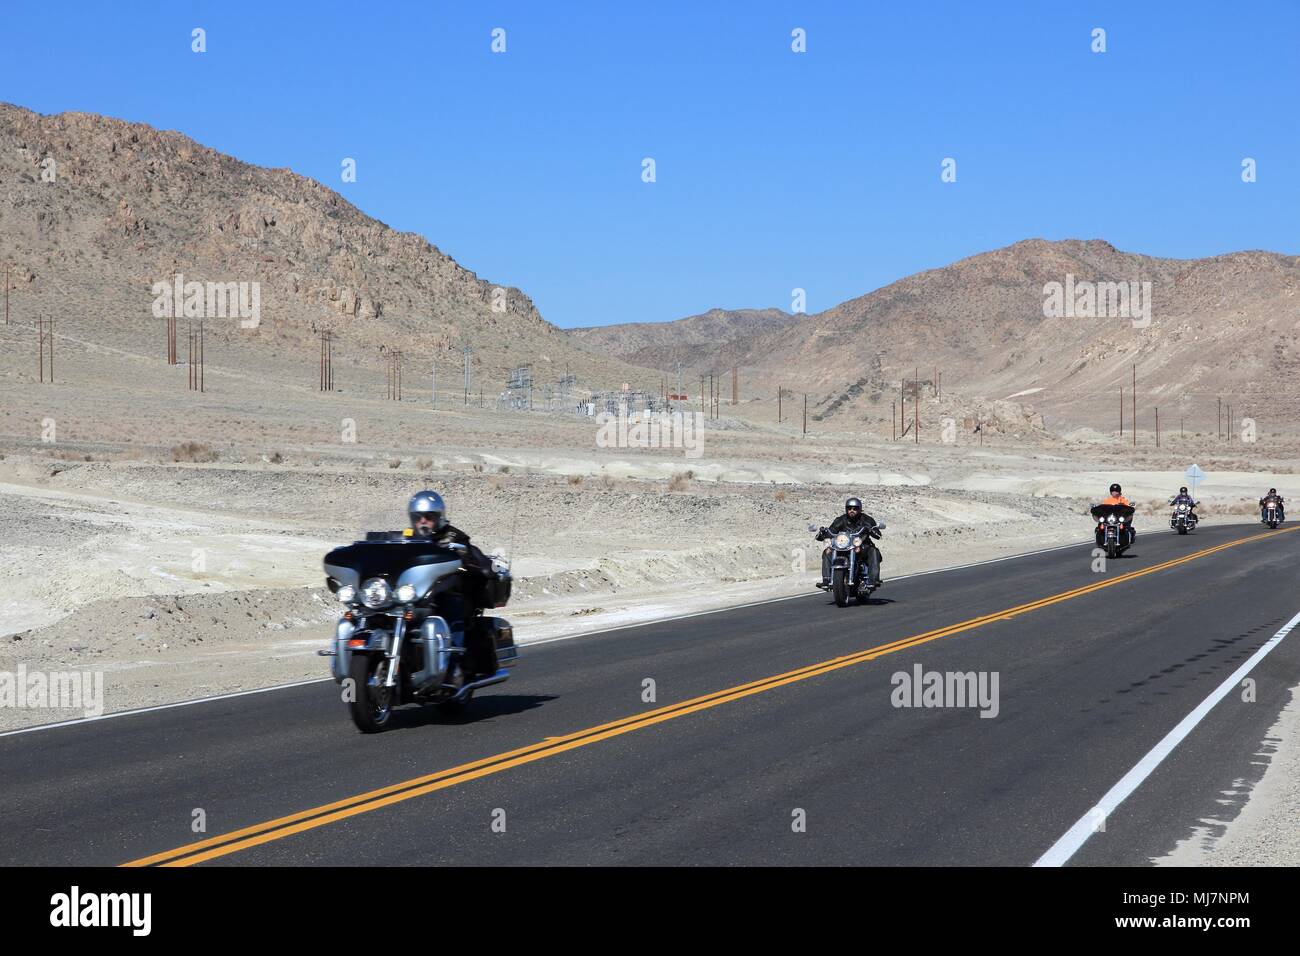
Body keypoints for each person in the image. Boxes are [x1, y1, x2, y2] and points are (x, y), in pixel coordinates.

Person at [406, 490, 499, 677]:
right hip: (415, 594)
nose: (423, 521)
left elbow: (470, 558)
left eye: (429, 517)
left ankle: (453, 661)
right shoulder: (407, 539)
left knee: (451, 606)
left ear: (439, 517)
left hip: (448, 593)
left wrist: (463, 557)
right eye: (418, 517)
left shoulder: (454, 536)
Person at [816, 497, 882, 589]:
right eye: (849, 508)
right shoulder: (840, 520)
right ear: (846, 509)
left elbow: (878, 535)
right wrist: (823, 534)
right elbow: (831, 531)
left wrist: (872, 530)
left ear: (859, 509)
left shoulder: (867, 519)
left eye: (855, 509)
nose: (852, 511)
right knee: (827, 552)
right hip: (843, 546)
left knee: (873, 551)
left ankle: (873, 579)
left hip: (862, 546)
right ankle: (826, 580)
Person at [1097, 482, 1136, 547]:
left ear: (1119, 492)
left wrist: (1130, 507)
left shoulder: (1123, 500)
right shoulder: (1107, 500)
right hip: (1110, 518)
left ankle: (1127, 538)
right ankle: (1100, 540)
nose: (1114, 492)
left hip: (1119, 518)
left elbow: (1128, 508)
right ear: (1110, 492)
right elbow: (1103, 508)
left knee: (1127, 526)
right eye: (1113, 491)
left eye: (1116, 491)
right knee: (1100, 526)